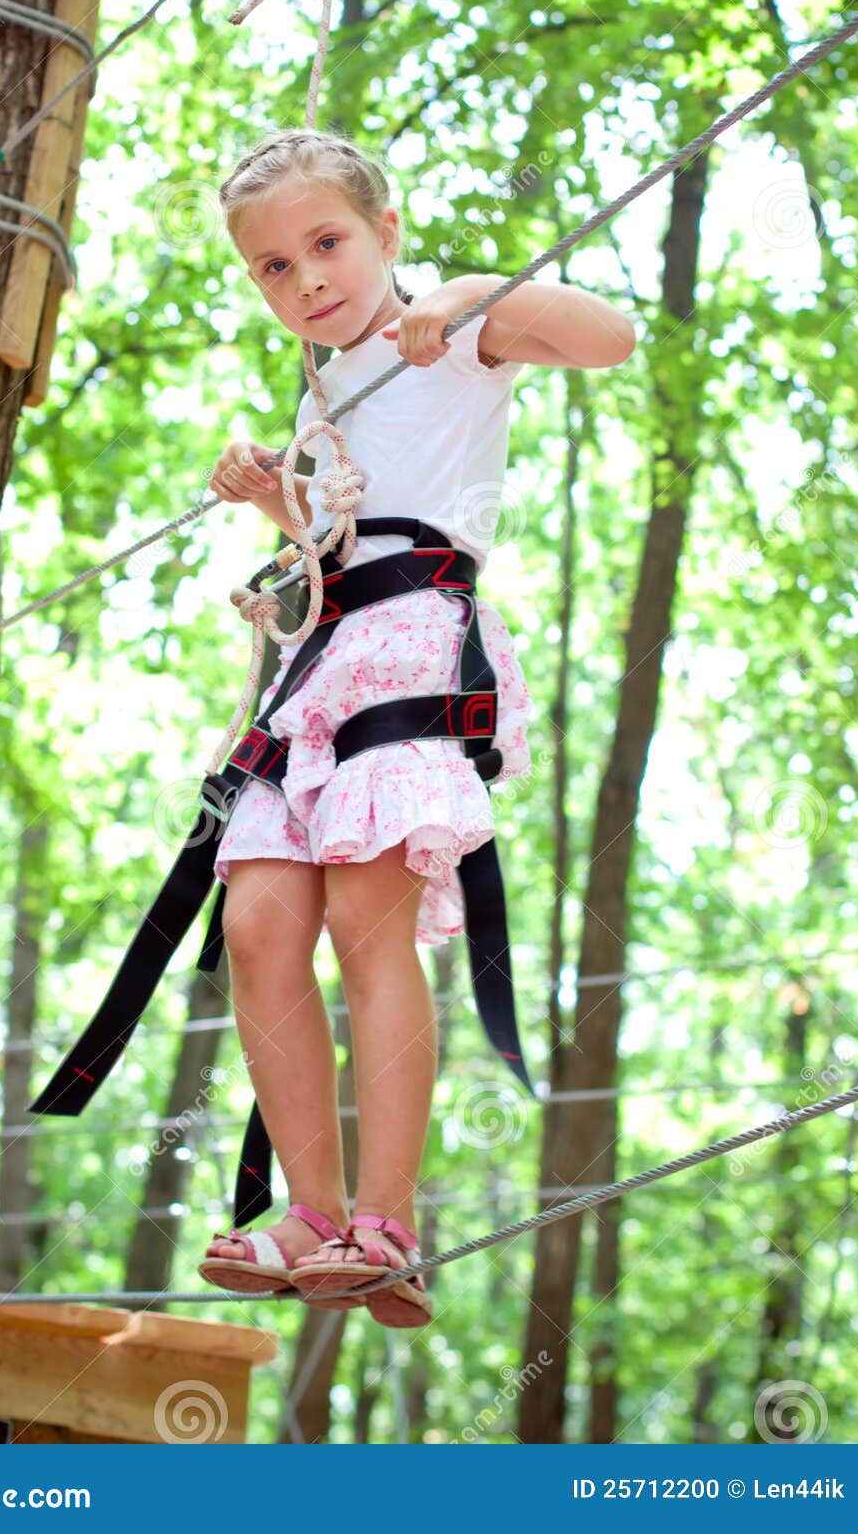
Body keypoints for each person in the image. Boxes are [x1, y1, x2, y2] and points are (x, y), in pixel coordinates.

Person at [197, 127, 635, 1327]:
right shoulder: (323, 390)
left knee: (364, 916)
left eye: (326, 243)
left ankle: (385, 1219)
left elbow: (608, 338)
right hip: (323, 662)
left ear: (384, 231)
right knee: (258, 920)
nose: (306, 280)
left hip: (413, 643)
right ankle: (310, 1209)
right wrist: (275, 496)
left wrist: (466, 295)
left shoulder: (451, 338)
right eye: (274, 267)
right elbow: (339, 534)